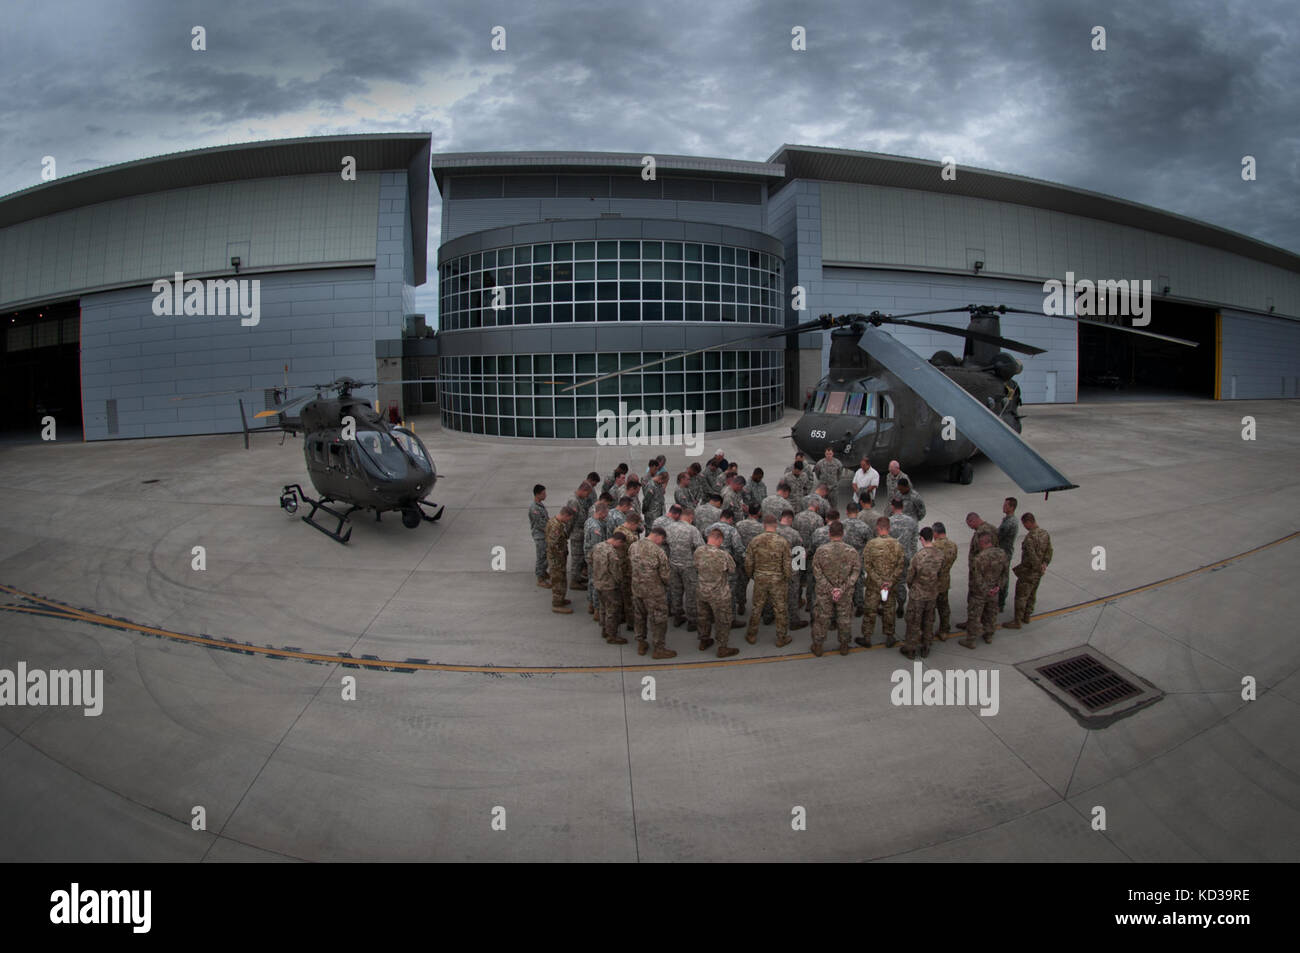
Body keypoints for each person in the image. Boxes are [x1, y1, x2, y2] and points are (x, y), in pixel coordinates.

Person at [810, 520, 860, 657]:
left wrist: (830, 589)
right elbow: (855, 572)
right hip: (845, 592)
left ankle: (818, 646)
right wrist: (842, 589)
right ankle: (844, 646)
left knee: (822, 618)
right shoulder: (852, 551)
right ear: (843, 534)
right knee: (844, 619)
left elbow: (817, 573)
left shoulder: (821, 551)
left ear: (829, 534)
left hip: (824, 592)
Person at [745, 515, 792, 647]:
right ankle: (781, 638)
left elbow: (748, 562)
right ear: (776, 525)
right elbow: (787, 564)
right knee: (780, 608)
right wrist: (787, 577)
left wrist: (752, 575)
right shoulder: (783, 541)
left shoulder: (755, 541)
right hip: (777, 579)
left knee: (757, 607)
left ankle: (751, 635)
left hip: (760, 578)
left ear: (764, 525)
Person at [856, 517, 904, 648]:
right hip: (890, 586)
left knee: (870, 611)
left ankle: (867, 637)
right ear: (889, 528)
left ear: (878, 528)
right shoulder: (897, 544)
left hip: (874, 586)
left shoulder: (871, 544)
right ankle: (890, 636)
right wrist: (889, 582)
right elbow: (900, 566)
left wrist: (879, 581)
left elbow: (867, 565)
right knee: (889, 610)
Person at [630, 527, 675, 658]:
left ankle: (641, 643)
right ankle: (659, 649)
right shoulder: (658, 551)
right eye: (662, 539)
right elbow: (665, 575)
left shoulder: (633, 546)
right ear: (658, 536)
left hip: (637, 588)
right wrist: (667, 585)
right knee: (658, 619)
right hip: (654, 592)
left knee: (639, 616)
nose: (661, 542)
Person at [695, 529, 739, 657]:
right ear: (719, 539)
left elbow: (696, 566)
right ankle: (722, 647)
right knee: (722, 620)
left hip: (702, 591)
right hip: (719, 594)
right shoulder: (723, 555)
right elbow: (732, 570)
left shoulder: (698, 551)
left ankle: (704, 641)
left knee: (703, 617)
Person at [959, 532, 1007, 649]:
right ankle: (989, 635)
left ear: (981, 543)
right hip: (994, 591)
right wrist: (998, 587)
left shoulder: (979, 558)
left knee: (975, 616)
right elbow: (1005, 573)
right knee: (991, 614)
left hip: (979, 593)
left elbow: (977, 578)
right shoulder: (1002, 554)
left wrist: (986, 590)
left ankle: (971, 640)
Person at [1004, 513, 1052, 629]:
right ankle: (1027, 616)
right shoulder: (1045, 533)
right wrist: (1044, 564)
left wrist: (1037, 568)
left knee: (1021, 597)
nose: (1024, 526)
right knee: (1032, 594)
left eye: (1024, 524)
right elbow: (1049, 551)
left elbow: (1032, 557)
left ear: (1028, 522)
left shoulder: (1030, 538)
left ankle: (1017, 621)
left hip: (1028, 572)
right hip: (1038, 573)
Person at [901, 527, 943, 658]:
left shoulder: (918, 556)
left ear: (922, 539)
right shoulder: (939, 554)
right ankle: (926, 647)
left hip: (918, 595)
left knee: (913, 622)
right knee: (928, 621)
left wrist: (912, 587)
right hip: (932, 594)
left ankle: (911, 648)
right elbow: (941, 574)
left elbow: (910, 577)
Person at [956, 512, 998, 630]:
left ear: (972, 521)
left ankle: (973, 624)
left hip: (979, 572)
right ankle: (986, 625)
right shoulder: (993, 529)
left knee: (975, 599)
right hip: (991, 572)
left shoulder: (980, 533)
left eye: (969, 525)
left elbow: (979, 553)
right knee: (989, 601)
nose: (970, 528)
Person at [666, 506, 704, 631]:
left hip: (673, 564)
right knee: (691, 593)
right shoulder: (692, 530)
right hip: (689, 567)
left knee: (676, 591)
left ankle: (677, 616)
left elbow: (665, 543)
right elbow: (700, 547)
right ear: (690, 517)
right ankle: (692, 621)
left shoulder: (669, 527)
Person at [590, 533, 629, 644]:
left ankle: (604, 629)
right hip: (609, 586)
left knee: (603, 608)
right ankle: (612, 635)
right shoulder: (611, 552)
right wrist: (620, 581)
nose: (620, 547)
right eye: (621, 544)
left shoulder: (597, 546)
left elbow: (589, 559)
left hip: (598, 582)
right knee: (612, 610)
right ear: (618, 541)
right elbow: (616, 572)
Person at [776, 510, 808, 630]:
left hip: (774, 567)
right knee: (792, 595)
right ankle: (794, 621)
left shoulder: (772, 530)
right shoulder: (794, 533)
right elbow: (800, 553)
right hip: (791, 567)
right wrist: (801, 572)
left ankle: (768, 616)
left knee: (773, 592)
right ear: (790, 519)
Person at [888, 497, 919, 618]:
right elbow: (914, 541)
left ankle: (889, 605)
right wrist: (913, 557)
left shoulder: (889, 521)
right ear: (902, 506)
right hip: (906, 556)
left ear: (892, 507)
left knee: (890, 581)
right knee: (902, 582)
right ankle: (901, 604)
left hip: (892, 557)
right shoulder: (911, 522)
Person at [931, 522, 959, 638]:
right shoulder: (953, 545)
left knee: (930, 608)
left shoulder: (934, 547)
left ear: (935, 533)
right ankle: (944, 629)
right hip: (945, 580)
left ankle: (928, 631)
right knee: (944, 606)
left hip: (933, 582)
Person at [583, 501, 609, 617]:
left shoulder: (589, 521)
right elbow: (597, 547)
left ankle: (591, 604)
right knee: (596, 582)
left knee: (591, 580)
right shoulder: (596, 527)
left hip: (588, 555)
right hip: (595, 557)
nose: (606, 516)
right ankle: (597, 609)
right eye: (605, 513)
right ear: (601, 512)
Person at [547, 507, 575, 613]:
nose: (568, 521)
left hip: (558, 558)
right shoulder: (556, 526)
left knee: (561, 579)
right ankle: (557, 604)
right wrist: (560, 554)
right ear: (565, 515)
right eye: (568, 519)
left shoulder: (555, 522)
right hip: (556, 559)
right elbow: (553, 544)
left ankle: (560, 599)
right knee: (558, 580)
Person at [566, 483, 593, 589]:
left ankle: (577, 577)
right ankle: (574, 581)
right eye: (587, 493)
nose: (587, 496)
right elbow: (570, 520)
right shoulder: (574, 501)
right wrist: (568, 533)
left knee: (580, 557)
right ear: (583, 490)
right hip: (576, 534)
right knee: (577, 558)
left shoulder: (579, 500)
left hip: (580, 533)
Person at [996, 497, 1019, 612]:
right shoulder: (1008, 520)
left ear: (1012, 507)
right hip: (1003, 552)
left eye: (1006, 505)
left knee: (1002, 578)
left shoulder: (1009, 522)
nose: (1003, 507)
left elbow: (998, 536)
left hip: (1004, 553)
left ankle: (1000, 603)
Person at [529, 484, 549, 588]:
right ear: (537, 494)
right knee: (541, 556)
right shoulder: (534, 508)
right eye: (543, 493)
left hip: (544, 534)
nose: (545, 495)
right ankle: (540, 578)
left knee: (545, 555)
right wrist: (551, 530)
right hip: (540, 536)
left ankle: (543, 572)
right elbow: (540, 524)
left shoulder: (540, 505)